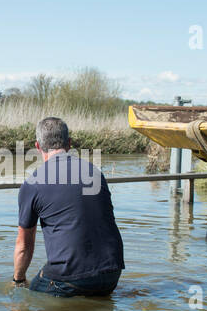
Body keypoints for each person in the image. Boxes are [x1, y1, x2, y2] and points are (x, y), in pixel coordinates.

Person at [13, 117, 124, 296]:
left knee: (28, 302)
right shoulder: (94, 173)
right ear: (69, 143)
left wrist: (18, 280)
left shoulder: (32, 183)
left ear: (38, 146)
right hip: (112, 271)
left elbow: (24, 245)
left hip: (70, 279)